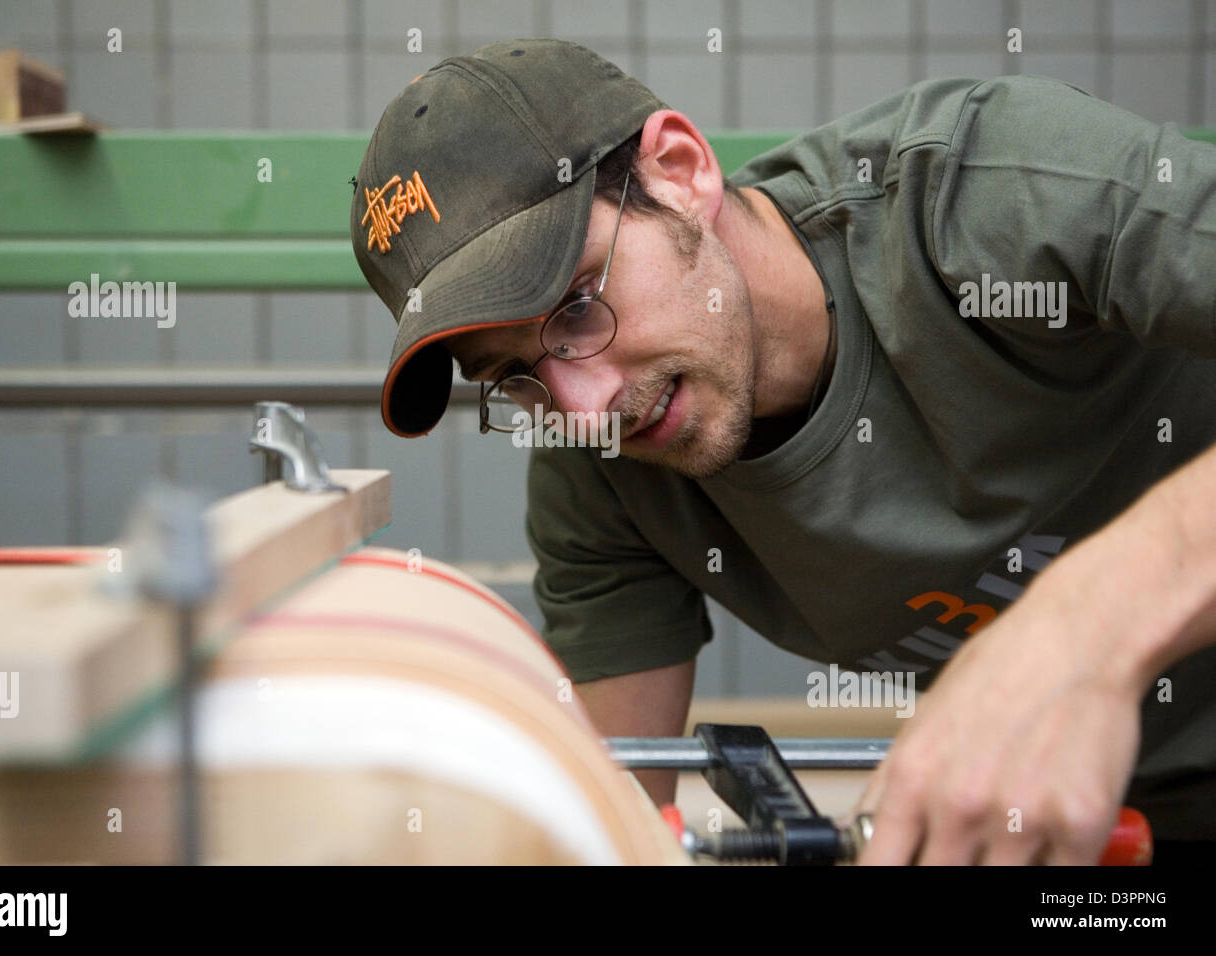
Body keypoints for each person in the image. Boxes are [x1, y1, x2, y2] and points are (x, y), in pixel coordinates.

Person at [351, 38, 1216, 864]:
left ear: (680, 173)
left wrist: (1074, 630)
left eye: (577, 305)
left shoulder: (995, 192)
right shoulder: (601, 475)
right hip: (1106, 833)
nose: (583, 409)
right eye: (513, 374)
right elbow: (618, 814)